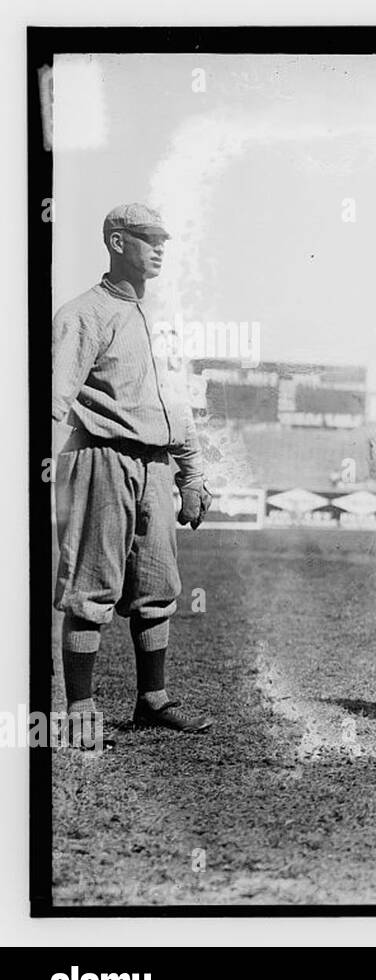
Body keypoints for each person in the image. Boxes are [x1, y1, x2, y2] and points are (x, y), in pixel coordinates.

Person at [52, 203, 214, 746]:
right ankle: (79, 710)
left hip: (156, 464)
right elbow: (52, 403)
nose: (160, 247)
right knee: (90, 588)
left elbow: (179, 406)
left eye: (164, 238)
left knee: (157, 586)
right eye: (148, 238)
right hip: (100, 456)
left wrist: (191, 476)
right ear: (118, 242)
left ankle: (153, 701)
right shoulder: (83, 313)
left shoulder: (158, 319)